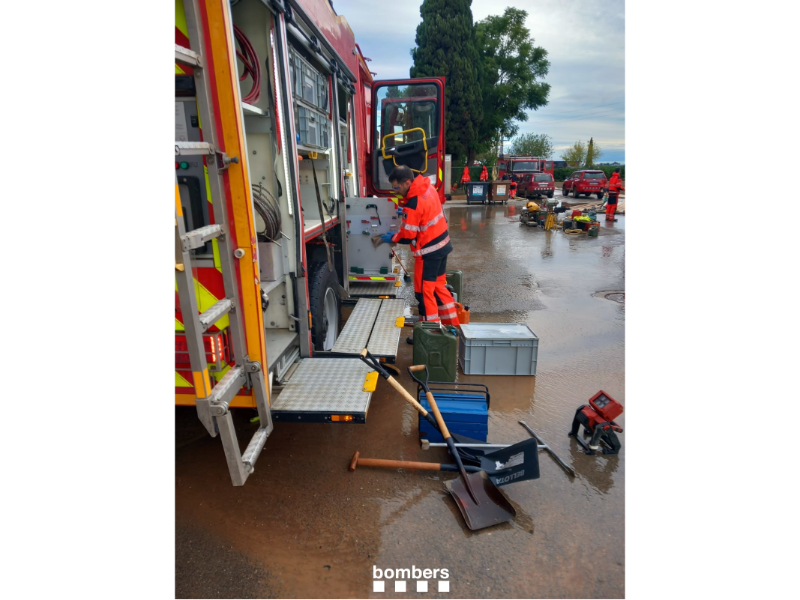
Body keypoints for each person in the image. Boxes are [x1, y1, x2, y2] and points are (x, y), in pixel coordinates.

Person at [380, 166, 459, 342]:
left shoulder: (412, 203)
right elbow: (427, 214)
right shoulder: (428, 188)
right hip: (442, 246)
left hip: (429, 253)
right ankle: (453, 326)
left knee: (425, 294)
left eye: (397, 188)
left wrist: (393, 236)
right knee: (439, 288)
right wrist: (406, 213)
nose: (396, 192)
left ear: (407, 182)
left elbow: (408, 236)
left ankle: (429, 335)